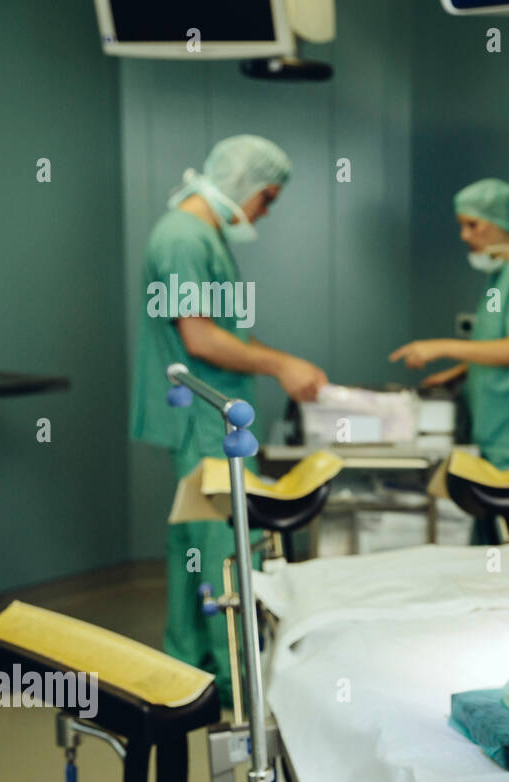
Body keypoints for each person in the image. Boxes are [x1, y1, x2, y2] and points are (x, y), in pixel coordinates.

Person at [129, 134, 329, 707]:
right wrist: (281, 364)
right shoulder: (183, 238)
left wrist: (286, 366)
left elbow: (230, 335)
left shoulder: (201, 235)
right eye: (267, 197)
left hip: (213, 416)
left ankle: (191, 675)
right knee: (223, 553)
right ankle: (233, 690)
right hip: (202, 418)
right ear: (246, 186)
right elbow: (199, 336)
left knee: (194, 545)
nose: (266, 210)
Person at [389, 178, 509, 472]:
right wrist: (460, 372)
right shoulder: (498, 275)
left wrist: (440, 348)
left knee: (507, 515)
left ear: (499, 220)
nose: (465, 236)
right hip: (489, 426)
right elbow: (492, 341)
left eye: (472, 225)